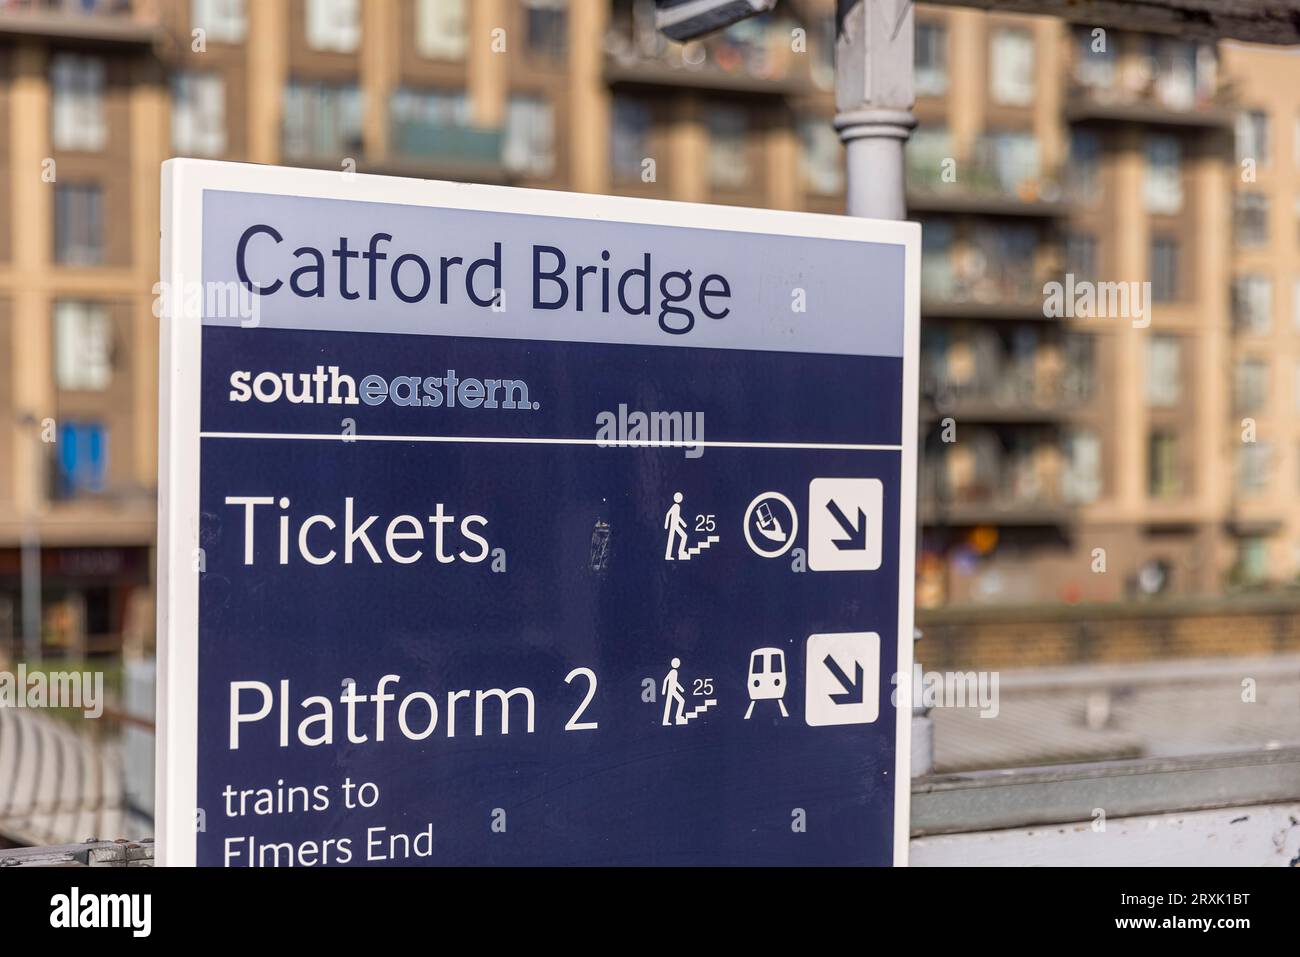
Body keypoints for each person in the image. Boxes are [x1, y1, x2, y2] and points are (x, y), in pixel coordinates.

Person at [661, 657, 686, 726]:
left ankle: (671, 719)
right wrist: (663, 690)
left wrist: (680, 689)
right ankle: (673, 718)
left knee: (676, 703)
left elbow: (674, 682)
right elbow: (666, 680)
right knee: (679, 702)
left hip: (672, 690)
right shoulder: (673, 671)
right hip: (671, 690)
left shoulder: (674, 671)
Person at [663, 491, 688, 560]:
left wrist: (683, 524)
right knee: (676, 538)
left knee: (681, 537)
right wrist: (666, 524)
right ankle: (675, 553)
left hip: (675, 525)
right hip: (673, 525)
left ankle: (677, 552)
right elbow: (668, 514)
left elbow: (677, 517)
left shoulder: (677, 506)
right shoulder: (675, 506)